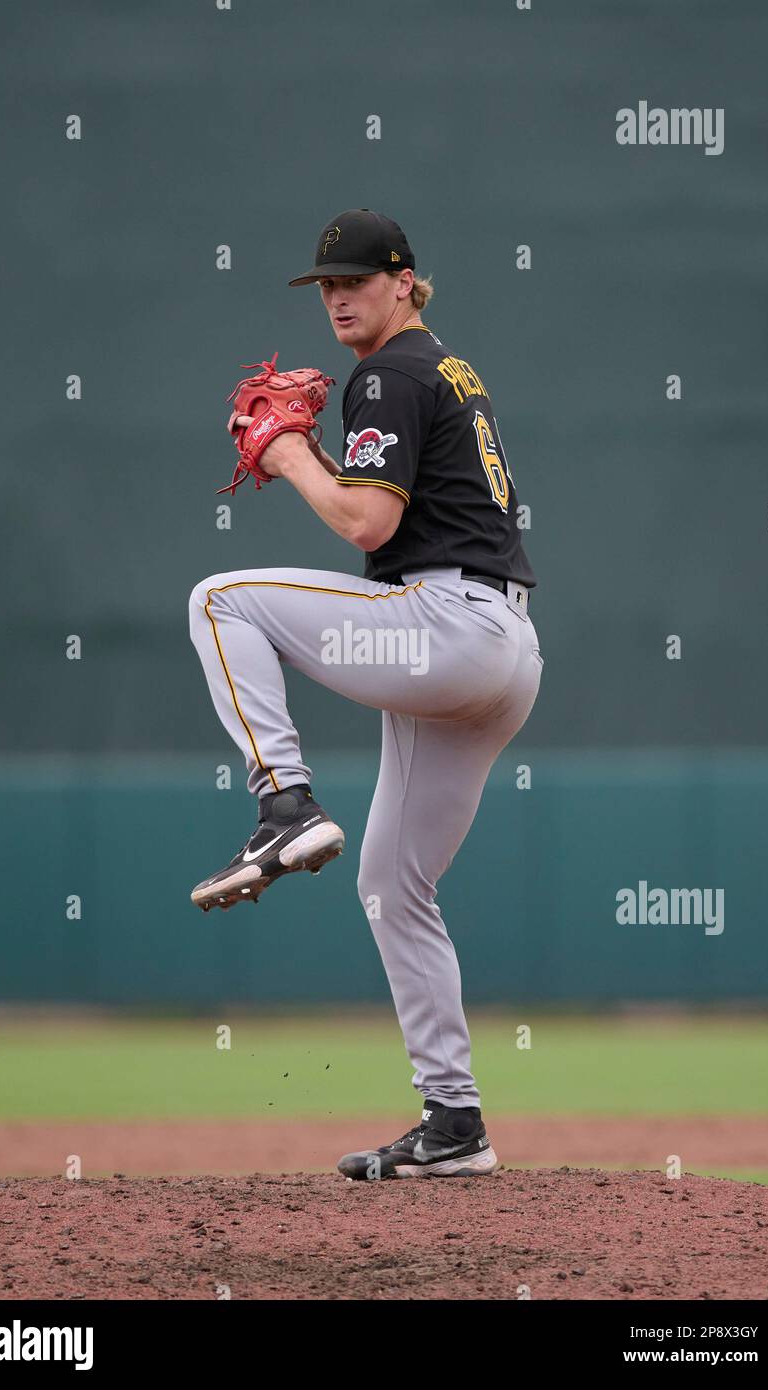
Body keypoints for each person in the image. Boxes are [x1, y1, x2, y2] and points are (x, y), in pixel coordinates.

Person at [188, 209, 543, 1179]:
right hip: (499, 653)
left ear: (404, 281)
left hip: (449, 625)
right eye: (324, 286)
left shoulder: (387, 372)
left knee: (219, 600)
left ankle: (282, 802)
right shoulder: (446, 366)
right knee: (391, 886)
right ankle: (454, 1124)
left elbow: (366, 524)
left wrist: (290, 452)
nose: (338, 297)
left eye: (356, 279)